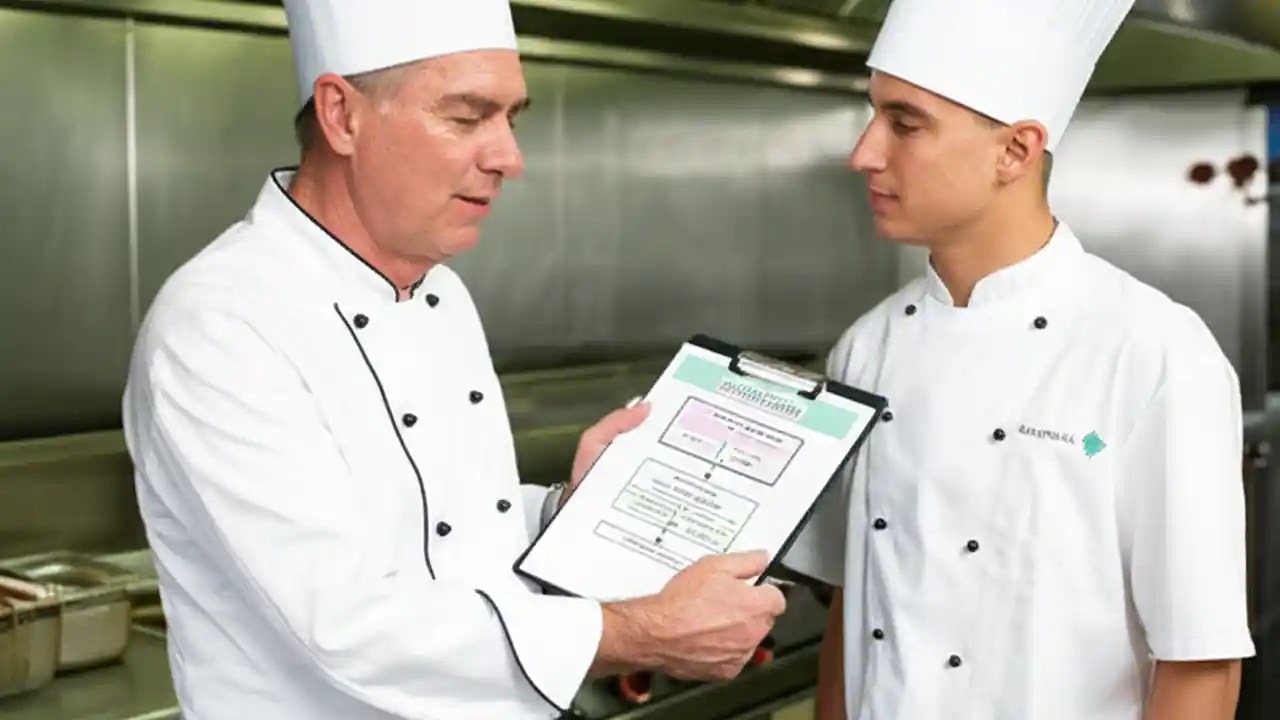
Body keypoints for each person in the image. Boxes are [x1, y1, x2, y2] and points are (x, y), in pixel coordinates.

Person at [120, 1, 784, 718]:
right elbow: (349, 625)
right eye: (467, 117)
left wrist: (571, 510)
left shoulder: (440, 292)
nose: (509, 156)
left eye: (512, 119)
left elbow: (451, 534)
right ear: (341, 115)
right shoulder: (222, 324)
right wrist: (642, 632)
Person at [782, 1, 1256, 718]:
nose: (864, 153)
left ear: (1016, 150)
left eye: (905, 124)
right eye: (872, 115)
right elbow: (854, 616)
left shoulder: (1153, 351)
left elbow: (1200, 663)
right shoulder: (866, 347)